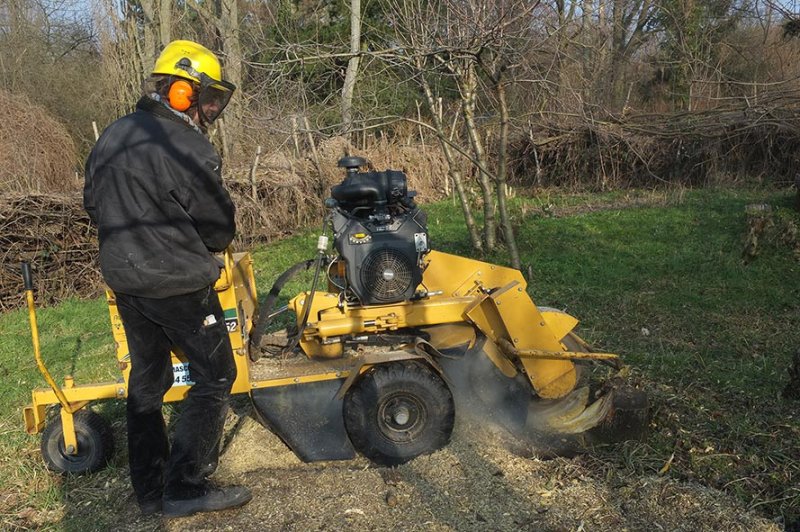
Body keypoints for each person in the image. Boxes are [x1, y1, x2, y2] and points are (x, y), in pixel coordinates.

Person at [83, 40, 251, 518]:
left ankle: (150, 492)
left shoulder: (112, 135)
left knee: (147, 382)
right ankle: (186, 485)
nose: (210, 109)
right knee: (217, 376)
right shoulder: (186, 146)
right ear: (180, 92)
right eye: (207, 97)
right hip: (177, 285)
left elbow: (93, 205)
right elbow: (218, 228)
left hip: (126, 281)